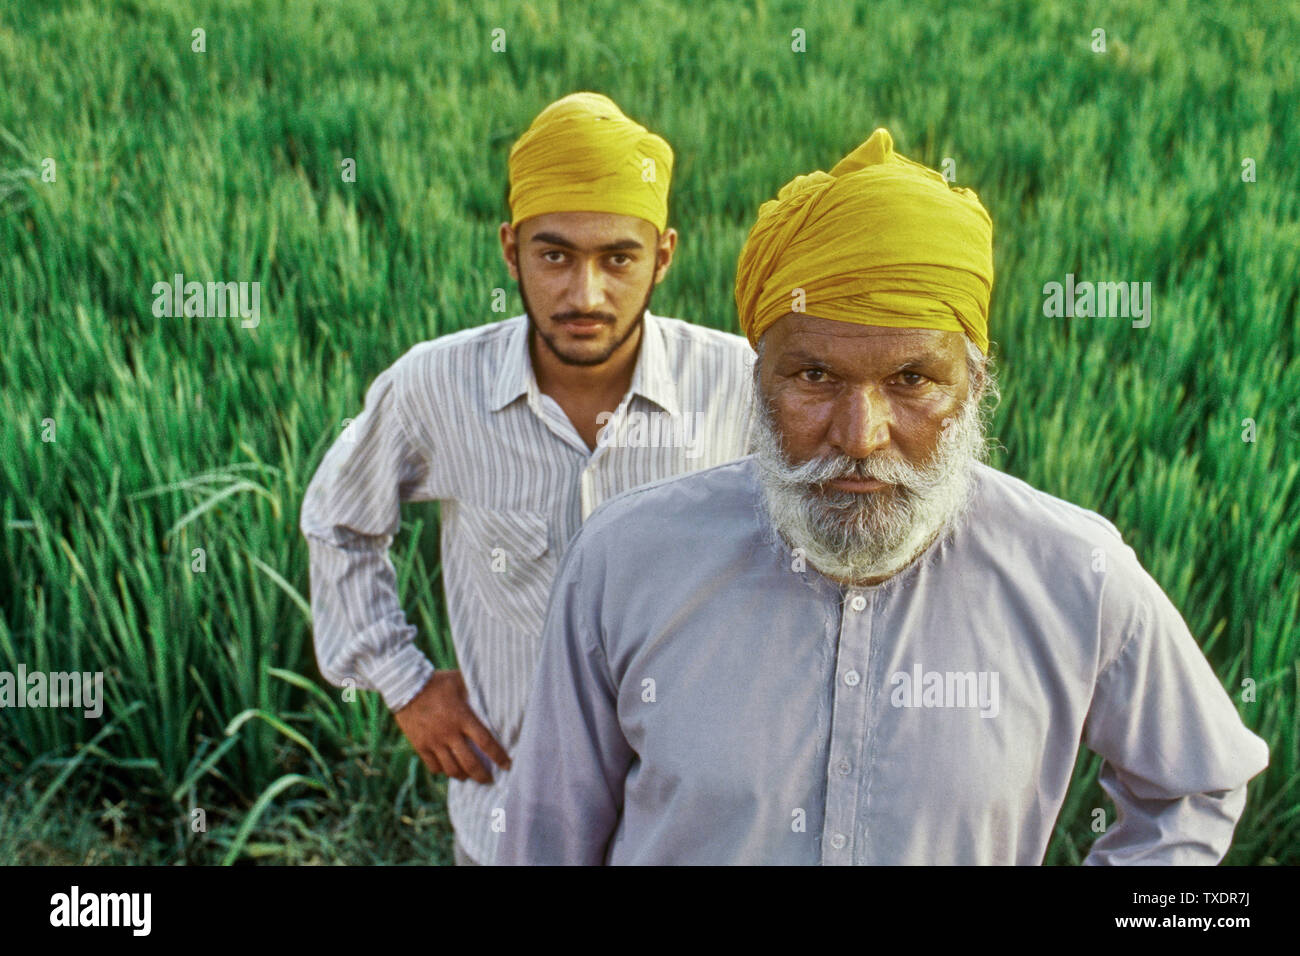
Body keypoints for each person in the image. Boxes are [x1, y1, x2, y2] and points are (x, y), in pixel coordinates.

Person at [498, 128, 1270, 865]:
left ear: (972, 386)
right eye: (814, 378)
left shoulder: (1076, 575)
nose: (861, 435)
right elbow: (547, 834)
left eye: (911, 380)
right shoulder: (626, 559)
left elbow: (1195, 785)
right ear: (757, 380)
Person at [299, 92, 755, 866]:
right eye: (554, 256)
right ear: (510, 250)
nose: (585, 295)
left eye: (618, 258)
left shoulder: (736, 384)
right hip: (508, 821)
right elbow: (340, 520)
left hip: (689, 829)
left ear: (664, 256)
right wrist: (405, 683)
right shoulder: (434, 387)